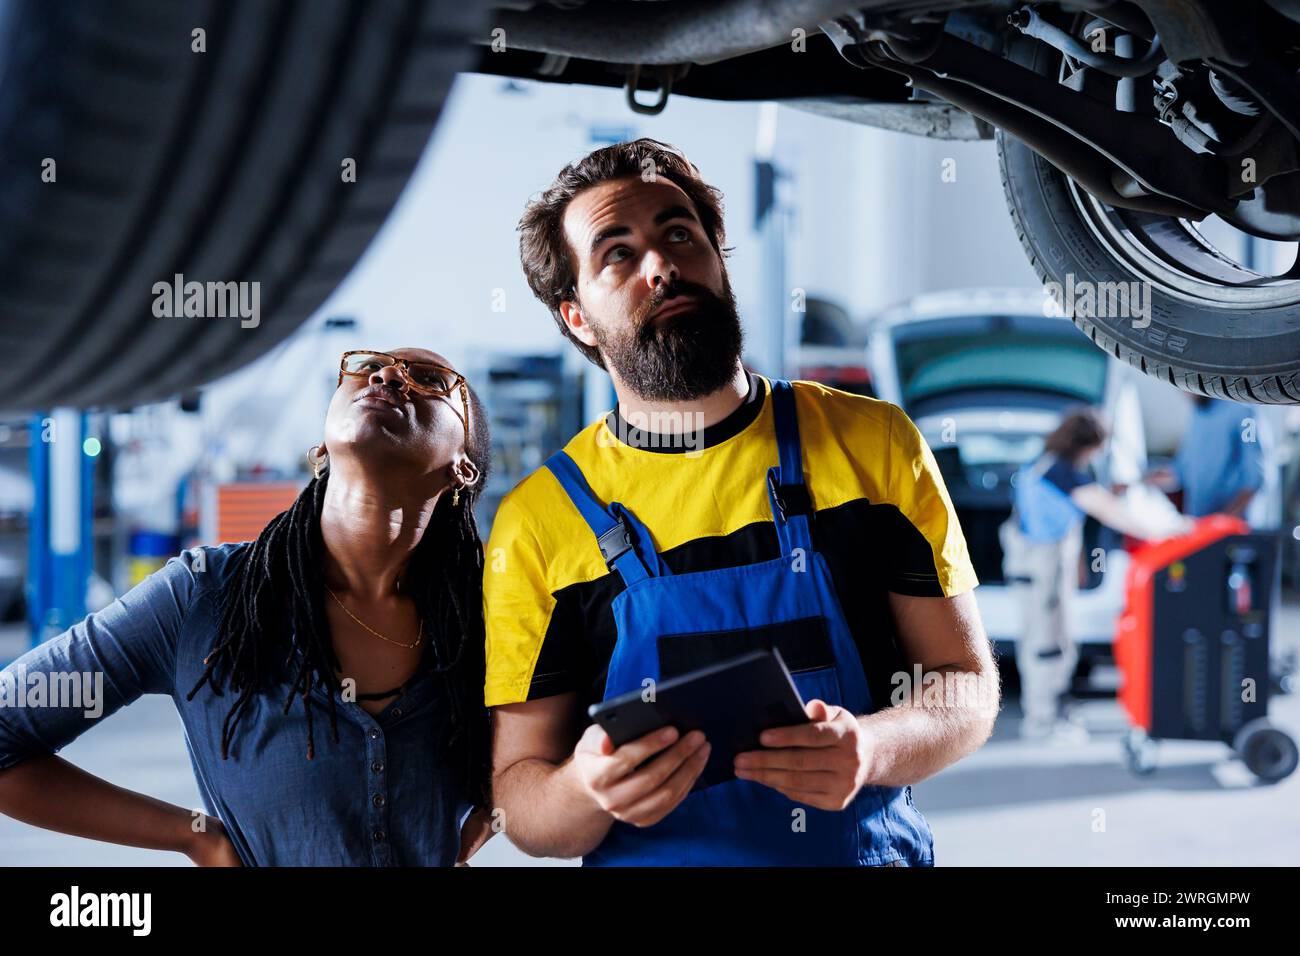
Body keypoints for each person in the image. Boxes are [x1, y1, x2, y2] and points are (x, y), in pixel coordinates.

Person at [483, 138, 1000, 867]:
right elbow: (522, 800)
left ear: (718, 258)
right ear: (577, 319)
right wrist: (585, 789)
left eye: (678, 234)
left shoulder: (872, 442)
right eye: (618, 255)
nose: (661, 264)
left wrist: (871, 747)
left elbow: (964, 686)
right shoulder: (539, 522)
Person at [0, 348, 495, 866]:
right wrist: (195, 837)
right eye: (369, 366)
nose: (387, 375)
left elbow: (572, 730)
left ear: (462, 467)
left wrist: (503, 800)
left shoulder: (486, 617)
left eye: (429, 380)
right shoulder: (202, 598)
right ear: (322, 444)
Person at [1002, 406, 1192, 743]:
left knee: (1059, 640)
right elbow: (1106, 509)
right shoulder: (1060, 471)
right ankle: (1041, 724)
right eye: (1100, 445)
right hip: (1038, 568)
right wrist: (1160, 531)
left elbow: (1082, 505)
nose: (1101, 453)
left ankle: (1053, 713)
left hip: (1042, 565)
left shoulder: (1050, 464)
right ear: (1085, 443)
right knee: (1045, 645)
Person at [1148, 395, 1267, 522]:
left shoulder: (1245, 413)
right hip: (1201, 528)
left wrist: (1223, 521)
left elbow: (1255, 478)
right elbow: (1181, 471)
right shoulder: (1198, 414)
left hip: (1236, 532)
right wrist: (1138, 482)